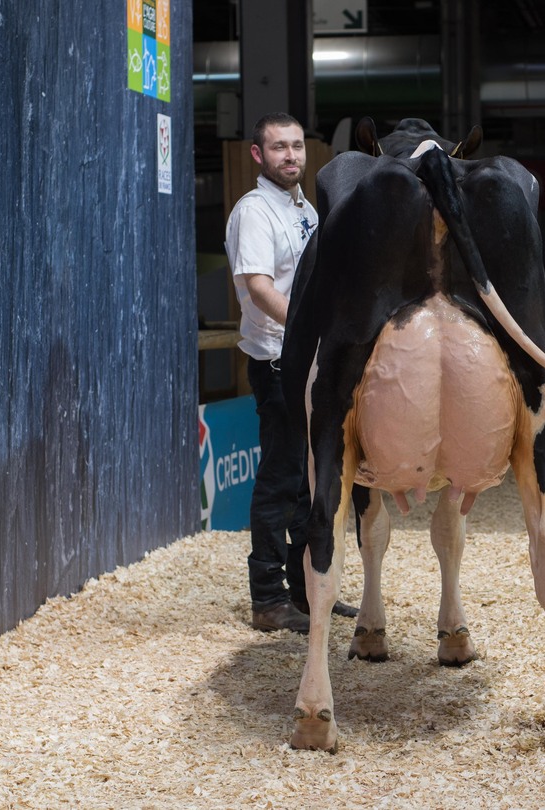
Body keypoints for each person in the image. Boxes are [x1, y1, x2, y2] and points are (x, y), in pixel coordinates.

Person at [224, 112, 357, 634]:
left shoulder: (306, 209)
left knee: (310, 482)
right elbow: (259, 288)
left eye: (297, 146)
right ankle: (267, 598)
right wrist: (310, 330)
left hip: (311, 361)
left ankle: (304, 592)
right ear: (258, 154)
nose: (291, 156)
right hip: (278, 360)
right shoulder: (254, 211)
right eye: (279, 147)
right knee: (281, 480)